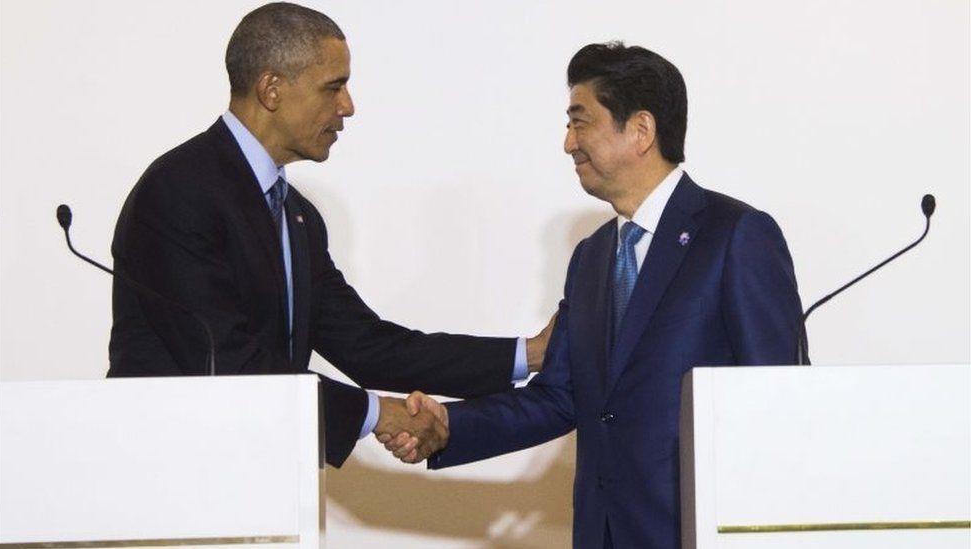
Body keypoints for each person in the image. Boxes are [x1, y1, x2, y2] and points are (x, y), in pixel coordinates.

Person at [383, 42, 804, 548]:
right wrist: (450, 424)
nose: (568, 143)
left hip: (697, 533)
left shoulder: (735, 234)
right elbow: (561, 397)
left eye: (581, 122)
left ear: (641, 130)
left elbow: (780, 404)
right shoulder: (592, 256)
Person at [107, 2, 553, 467]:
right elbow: (226, 361)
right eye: (333, 87)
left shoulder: (297, 215)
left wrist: (531, 353)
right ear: (272, 89)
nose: (348, 106)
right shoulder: (180, 190)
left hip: (264, 474)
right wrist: (378, 413)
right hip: (167, 471)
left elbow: (367, 346)